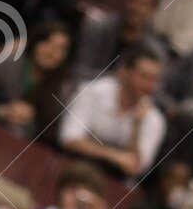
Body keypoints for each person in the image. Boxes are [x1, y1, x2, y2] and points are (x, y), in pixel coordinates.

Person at [58, 44, 168, 180]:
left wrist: (137, 126)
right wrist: (116, 156)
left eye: (155, 79)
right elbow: (69, 139)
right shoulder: (93, 91)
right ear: (124, 73)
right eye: (144, 76)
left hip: (115, 179)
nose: (150, 85)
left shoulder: (154, 118)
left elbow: (135, 167)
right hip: (74, 164)